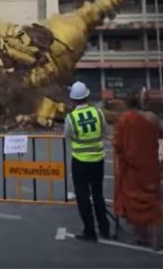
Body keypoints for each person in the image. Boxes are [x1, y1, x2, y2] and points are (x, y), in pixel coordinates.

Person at [113, 89, 163, 247]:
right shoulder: (152, 118)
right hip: (150, 167)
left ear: (126, 104)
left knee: (134, 204)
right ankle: (154, 239)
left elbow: (118, 145)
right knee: (152, 202)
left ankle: (140, 236)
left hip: (132, 170)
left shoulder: (124, 120)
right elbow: (161, 134)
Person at [63, 81, 110, 242]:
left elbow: (66, 136)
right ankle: (104, 228)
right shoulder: (98, 113)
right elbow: (105, 131)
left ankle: (89, 231)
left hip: (80, 162)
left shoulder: (71, 118)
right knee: (98, 195)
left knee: (83, 197)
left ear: (73, 100)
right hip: (98, 160)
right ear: (87, 96)